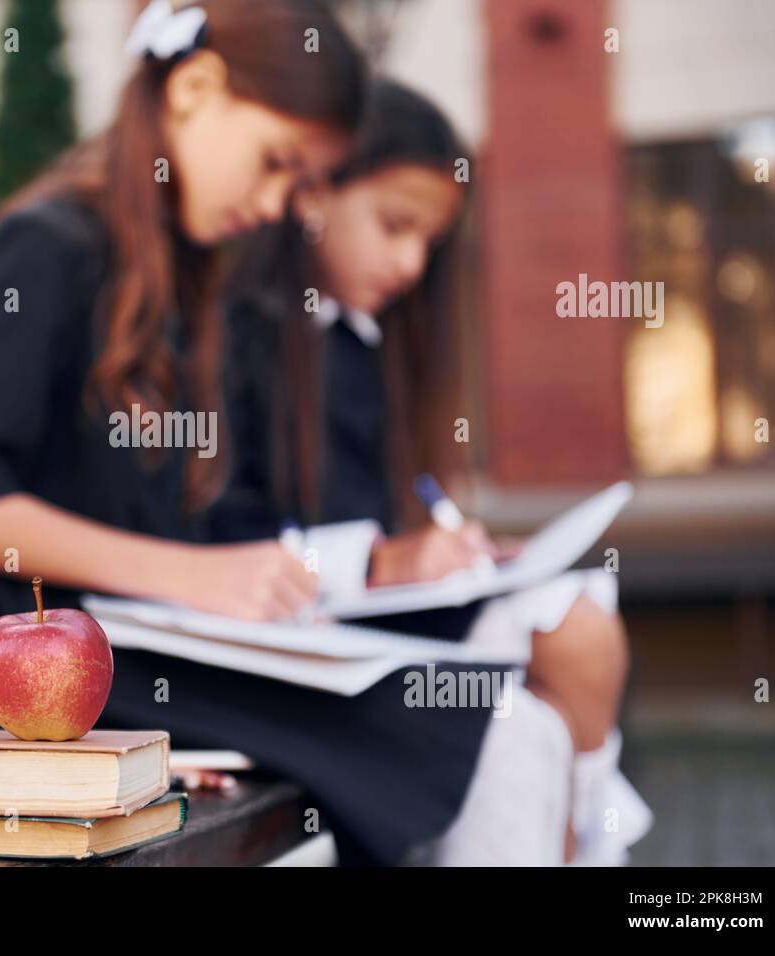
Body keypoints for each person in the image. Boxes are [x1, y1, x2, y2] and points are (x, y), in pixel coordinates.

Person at [0, 1, 485, 866]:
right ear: (194, 88)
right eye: (274, 164)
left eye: (298, 185)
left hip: (141, 649)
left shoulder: (178, 281)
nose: (273, 205)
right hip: (64, 674)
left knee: (444, 688)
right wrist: (194, 575)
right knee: (428, 711)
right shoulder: (45, 247)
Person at [214, 78, 653, 864]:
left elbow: (393, 504)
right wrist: (382, 559)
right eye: (394, 226)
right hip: (294, 625)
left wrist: (447, 544)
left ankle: (587, 839)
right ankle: (583, 841)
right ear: (314, 191)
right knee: (536, 700)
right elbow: (221, 532)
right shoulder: (237, 335)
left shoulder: (372, 343)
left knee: (582, 627)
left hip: (377, 606)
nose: (412, 264)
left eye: (430, 242)